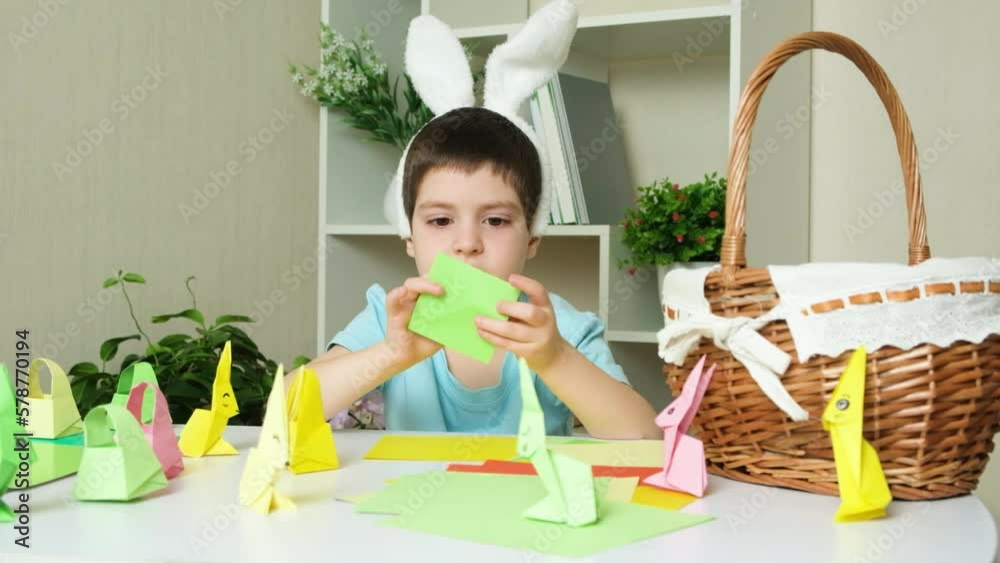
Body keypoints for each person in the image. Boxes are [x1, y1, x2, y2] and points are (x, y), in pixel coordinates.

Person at [294, 106, 660, 439]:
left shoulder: (558, 329)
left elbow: (646, 440)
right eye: (440, 220)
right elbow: (288, 409)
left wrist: (555, 358)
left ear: (532, 239)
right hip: (414, 508)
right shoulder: (389, 320)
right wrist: (390, 353)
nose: (467, 243)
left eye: (496, 220)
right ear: (409, 238)